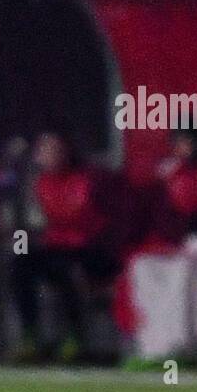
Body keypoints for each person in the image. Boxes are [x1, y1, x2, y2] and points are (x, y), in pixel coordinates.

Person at [9, 131, 117, 362]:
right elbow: (34, 224)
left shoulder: (86, 179)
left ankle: (74, 337)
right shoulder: (39, 183)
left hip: (89, 248)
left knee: (66, 269)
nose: (49, 156)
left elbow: (83, 217)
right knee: (21, 263)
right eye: (45, 151)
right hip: (56, 246)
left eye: (55, 150)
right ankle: (30, 336)